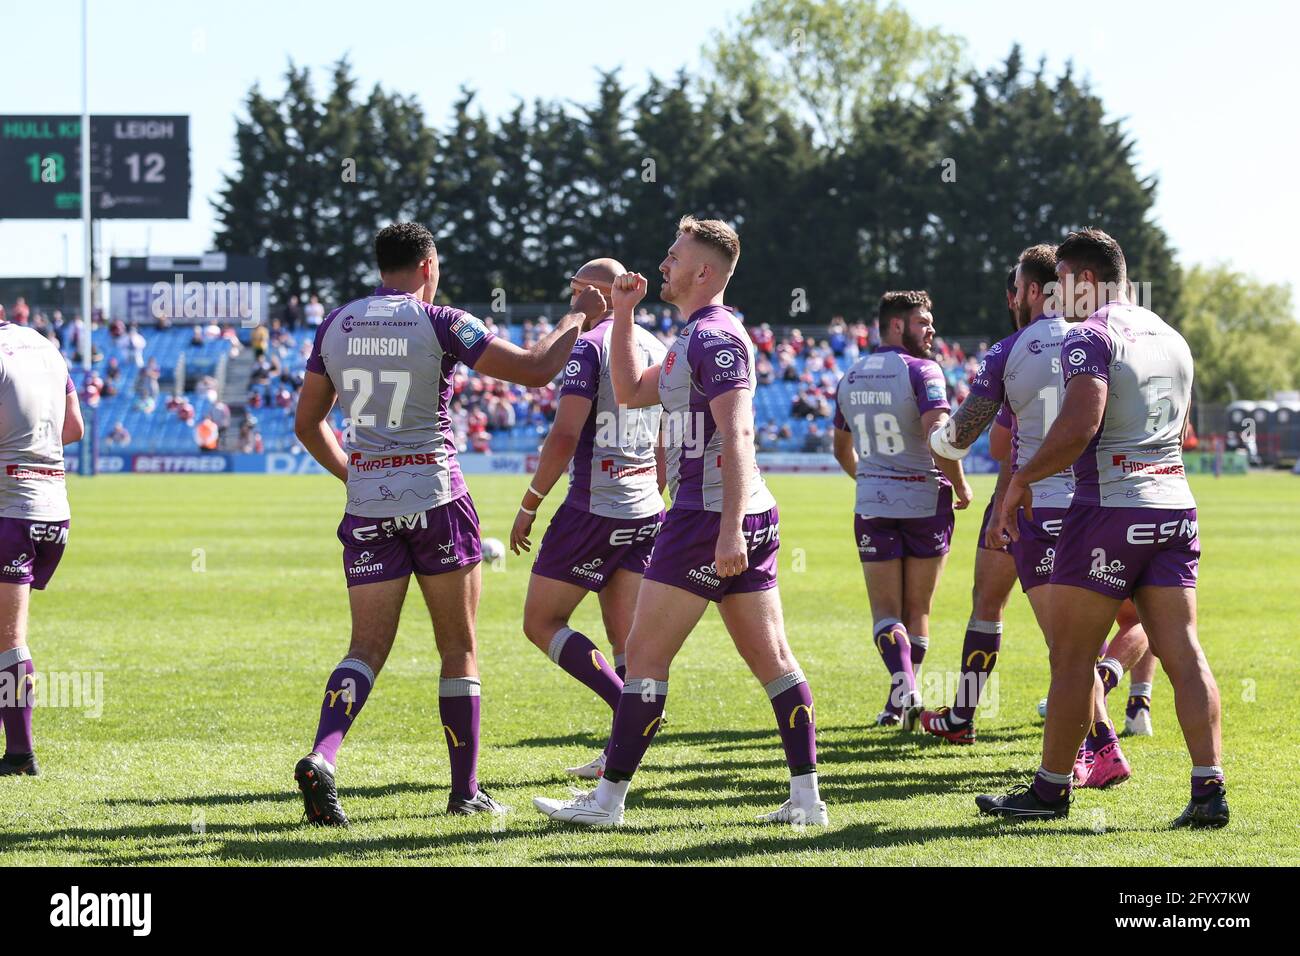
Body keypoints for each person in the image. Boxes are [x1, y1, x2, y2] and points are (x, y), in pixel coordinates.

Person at [290, 222, 607, 826]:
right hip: (436, 496)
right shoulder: (439, 322)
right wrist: (576, 317)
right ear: (429, 266)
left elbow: (308, 424)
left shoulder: (335, 323)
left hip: (369, 504)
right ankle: (464, 791)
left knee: (364, 649)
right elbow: (538, 369)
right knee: (458, 649)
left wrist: (353, 476)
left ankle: (323, 758)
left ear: (382, 266)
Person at [532, 216, 826, 827]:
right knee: (773, 660)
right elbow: (630, 388)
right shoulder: (687, 337)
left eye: (674, 256)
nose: (662, 265)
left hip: (711, 515)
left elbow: (739, 430)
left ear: (704, 272)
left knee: (642, 655)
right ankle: (806, 798)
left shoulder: (717, 337)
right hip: (725, 512)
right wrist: (620, 313)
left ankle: (608, 802)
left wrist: (727, 528)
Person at [977, 227, 1225, 827]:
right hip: (1173, 506)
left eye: (1061, 281)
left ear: (1085, 280)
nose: (1057, 296)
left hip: (1110, 508)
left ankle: (1049, 790)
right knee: (1184, 651)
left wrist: (1021, 480)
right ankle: (1208, 790)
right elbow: (1180, 428)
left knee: (1071, 655)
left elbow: (1080, 425)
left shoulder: (1092, 335)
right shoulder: (1171, 336)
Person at [921, 245, 1148, 789]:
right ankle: (970, 716)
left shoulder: (1010, 349)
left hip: (1036, 507)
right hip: (1100, 502)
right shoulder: (1099, 338)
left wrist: (935, 444)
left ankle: (1099, 747)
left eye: (1017, 288)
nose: (1013, 297)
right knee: (1093, 631)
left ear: (1031, 292)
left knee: (1052, 639)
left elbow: (967, 436)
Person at [510, 258, 667, 779]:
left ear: (595, 295)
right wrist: (654, 484)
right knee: (628, 641)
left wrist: (530, 503)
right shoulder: (656, 346)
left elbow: (564, 435)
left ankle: (630, 710)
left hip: (594, 508)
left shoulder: (590, 345)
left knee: (541, 622)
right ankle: (621, 754)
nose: (569, 299)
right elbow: (672, 432)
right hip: (646, 506)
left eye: (575, 290)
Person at [831, 291, 972, 730]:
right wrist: (962, 485)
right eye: (922, 322)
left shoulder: (850, 375)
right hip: (925, 500)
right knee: (918, 611)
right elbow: (938, 436)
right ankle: (906, 693)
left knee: (886, 614)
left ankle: (900, 697)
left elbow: (841, 449)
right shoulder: (923, 370)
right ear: (896, 325)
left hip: (874, 501)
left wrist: (870, 479)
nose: (931, 331)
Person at [0, 316, 84, 776]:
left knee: (9, 639)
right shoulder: (47, 348)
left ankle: (20, 754)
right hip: (54, 511)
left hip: (11, 509)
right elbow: (73, 428)